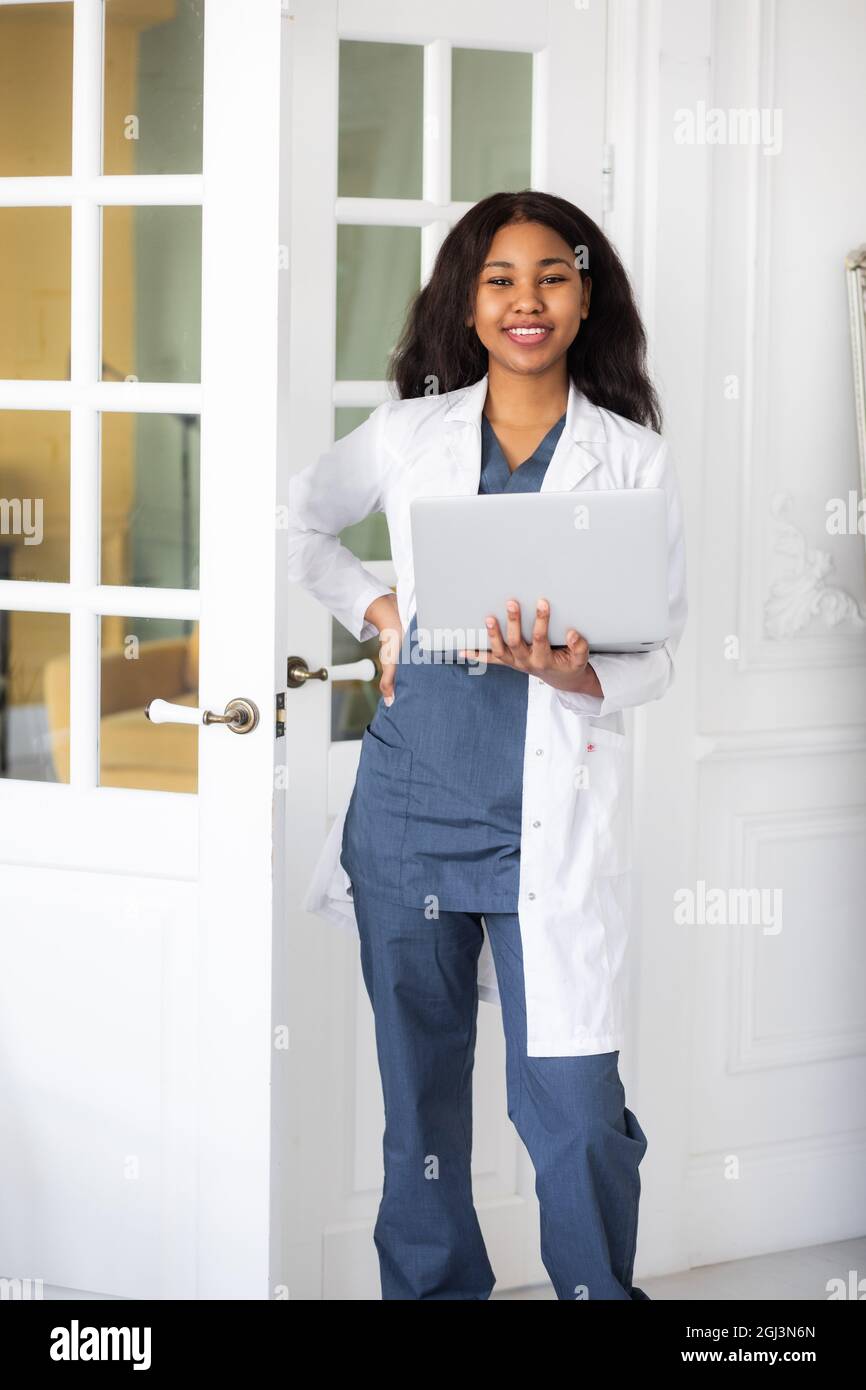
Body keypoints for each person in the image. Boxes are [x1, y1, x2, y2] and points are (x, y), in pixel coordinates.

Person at [286, 189, 688, 1300]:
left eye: (551, 276)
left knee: (574, 1110)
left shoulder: (631, 460)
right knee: (418, 1107)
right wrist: (376, 613)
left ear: (582, 296)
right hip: (408, 817)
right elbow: (298, 520)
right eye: (500, 279)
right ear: (467, 304)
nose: (526, 300)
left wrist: (578, 673)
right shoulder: (410, 435)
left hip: (543, 834)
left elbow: (658, 655)